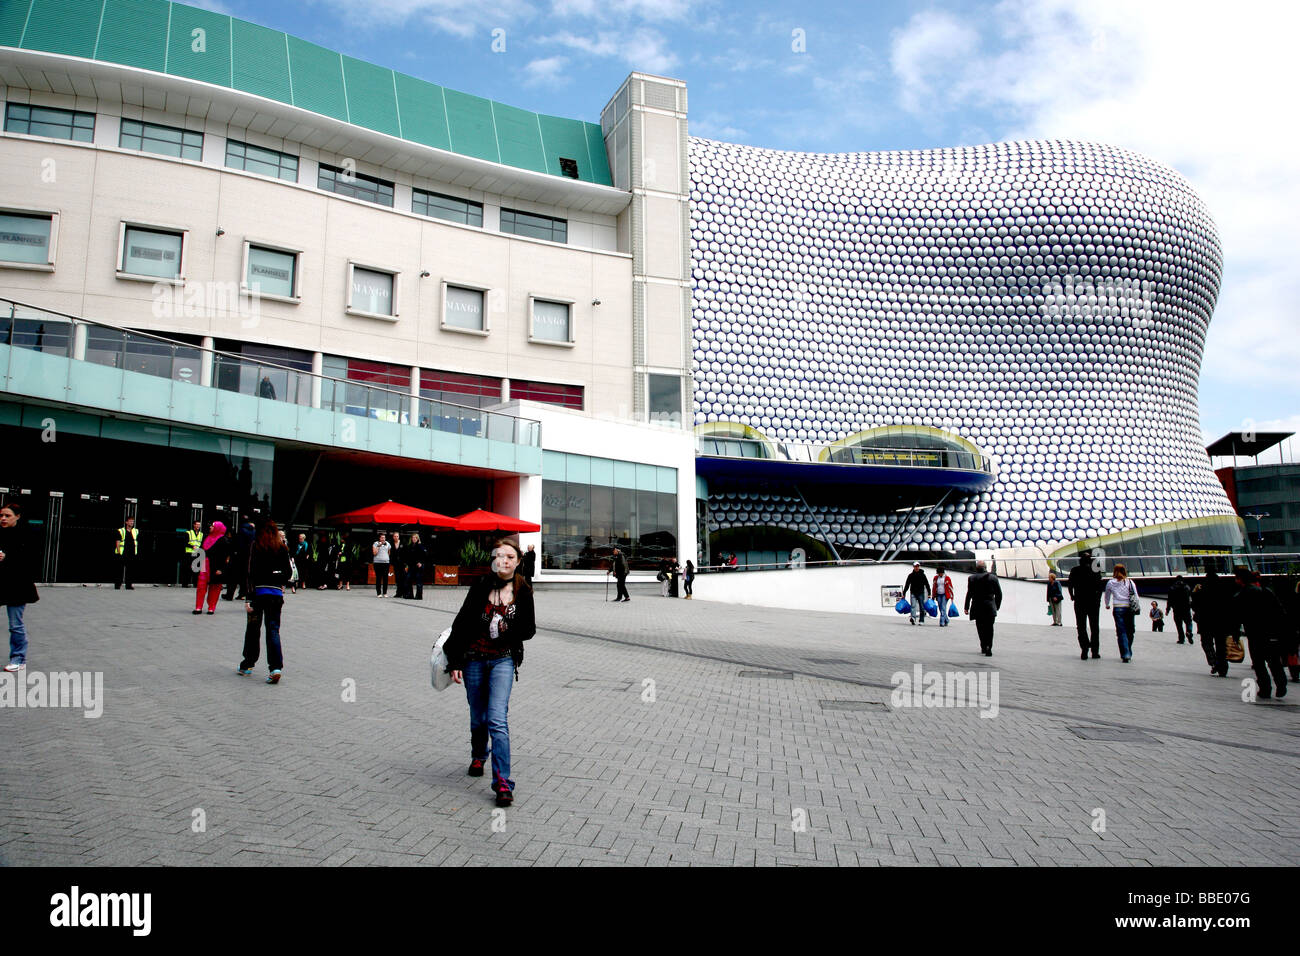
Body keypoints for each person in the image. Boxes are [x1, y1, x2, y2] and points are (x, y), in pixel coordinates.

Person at [443, 540, 536, 807]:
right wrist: (455, 661)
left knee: (497, 719)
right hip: (473, 659)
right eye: (499, 556)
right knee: (478, 717)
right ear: (493, 560)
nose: (504, 561)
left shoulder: (523, 591)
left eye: (510, 557)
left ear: (518, 561)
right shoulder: (481, 586)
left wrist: (509, 628)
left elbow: (529, 630)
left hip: (502, 661)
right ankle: (478, 754)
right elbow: (461, 624)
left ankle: (503, 783)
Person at [238, 520, 292, 684]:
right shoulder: (282, 547)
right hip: (275, 594)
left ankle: (248, 664)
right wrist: (277, 579)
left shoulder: (256, 546)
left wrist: (248, 597)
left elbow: (249, 572)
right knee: (273, 629)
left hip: (258, 594)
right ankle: (275, 667)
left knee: (253, 630)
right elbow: (288, 573)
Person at [1231, 566, 1287, 700]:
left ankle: (1265, 689)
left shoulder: (1239, 596)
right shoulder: (1265, 592)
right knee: (1274, 661)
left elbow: (1236, 618)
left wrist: (1235, 634)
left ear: (1240, 580)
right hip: (1270, 632)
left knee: (1258, 663)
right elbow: (1280, 611)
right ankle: (1281, 684)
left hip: (1254, 633)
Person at [0, 502, 38, 673]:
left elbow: (29, 560)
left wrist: (7, 557)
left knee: (15, 624)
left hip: (17, 586)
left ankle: (18, 658)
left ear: (17, 516)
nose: (3, 518)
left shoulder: (25, 535)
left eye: (7, 515)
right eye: (1, 515)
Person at [1192, 568, 1232, 677]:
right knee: (1221, 644)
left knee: (1206, 643)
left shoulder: (1202, 591)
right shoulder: (1224, 591)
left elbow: (1194, 606)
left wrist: (1194, 593)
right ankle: (1223, 666)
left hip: (1205, 622)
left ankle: (1214, 662)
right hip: (1221, 622)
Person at [1067, 552, 1103, 659]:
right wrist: (1098, 599)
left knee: (1081, 626)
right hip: (1093, 602)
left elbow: (1070, 585)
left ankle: (1084, 648)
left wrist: (1072, 596)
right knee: (1094, 626)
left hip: (1080, 601)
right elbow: (1100, 587)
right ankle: (1095, 651)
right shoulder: (1095, 570)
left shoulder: (1075, 570)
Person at [963, 560, 1003, 656]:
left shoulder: (971, 578)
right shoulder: (993, 578)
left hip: (977, 606)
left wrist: (966, 606)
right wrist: (996, 606)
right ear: (985, 568)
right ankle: (989, 646)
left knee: (980, 627)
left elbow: (969, 593)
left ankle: (983, 645)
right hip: (989, 606)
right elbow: (999, 594)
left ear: (977, 568)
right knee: (989, 628)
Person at [193, 520, 230, 615]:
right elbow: (201, 551)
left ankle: (211, 607)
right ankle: (198, 607)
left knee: (215, 587)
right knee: (201, 586)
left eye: (213, 526)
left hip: (215, 567)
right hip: (204, 565)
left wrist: (221, 569)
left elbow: (225, 556)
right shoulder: (206, 537)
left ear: (217, 528)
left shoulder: (223, 540)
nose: (210, 527)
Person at [1103, 564, 1138, 663]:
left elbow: (1107, 595)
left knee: (1121, 631)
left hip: (1118, 608)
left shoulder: (1110, 582)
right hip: (1129, 608)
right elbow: (1136, 595)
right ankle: (1128, 651)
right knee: (1130, 631)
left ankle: (1125, 653)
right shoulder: (1130, 582)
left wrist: (1107, 604)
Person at [223, 517, 255, 601]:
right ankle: (242, 594)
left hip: (239, 556)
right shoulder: (253, 531)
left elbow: (238, 544)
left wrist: (233, 553)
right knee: (245, 577)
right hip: (248, 557)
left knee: (233, 576)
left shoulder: (241, 530)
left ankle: (229, 595)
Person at [114, 516, 139, 590]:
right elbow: (118, 542)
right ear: (126, 522)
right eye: (130, 521)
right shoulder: (121, 531)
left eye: (133, 521)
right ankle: (117, 585)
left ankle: (128, 585)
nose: (132, 523)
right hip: (122, 553)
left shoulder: (135, 531)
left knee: (130, 570)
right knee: (119, 570)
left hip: (131, 553)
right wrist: (119, 552)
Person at [904, 561, 930, 626]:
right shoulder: (910, 575)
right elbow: (907, 584)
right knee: (913, 606)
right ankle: (913, 618)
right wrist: (904, 593)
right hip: (913, 593)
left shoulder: (923, 575)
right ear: (913, 567)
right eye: (915, 566)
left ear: (919, 567)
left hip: (921, 593)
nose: (917, 567)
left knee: (921, 607)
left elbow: (927, 584)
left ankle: (921, 620)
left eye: (918, 566)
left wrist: (929, 593)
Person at [182, 520, 203, 588]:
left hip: (197, 553)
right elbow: (185, 543)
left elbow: (201, 544)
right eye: (197, 524)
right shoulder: (188, 533)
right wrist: (192, 546)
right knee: (187, 568)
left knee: (196, 569)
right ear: (194, 525)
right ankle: (185, 584)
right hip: (189, 552)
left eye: (199, 525)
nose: (198, 526)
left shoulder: (201, 534)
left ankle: (195, 584)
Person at [406, 533, 426, 599]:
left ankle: (419, 596)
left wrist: (421, 562)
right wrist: (407, 565)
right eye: (413, 537)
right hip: (411, 566)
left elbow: (425, 555)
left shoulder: (420, 546)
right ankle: (409, 595)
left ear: (417, 539)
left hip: (418, 566)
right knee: (408, 579)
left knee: (418, 581)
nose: (414, 539)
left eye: (415, 538)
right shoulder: (410, 546)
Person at [372, 531, 391, 597]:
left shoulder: (388, 544)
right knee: (378, 578)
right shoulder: (375, 543)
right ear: (379, 538)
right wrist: (378, 546)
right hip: (377, 563)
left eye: (384, 538)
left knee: (385, 578)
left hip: (386, 563)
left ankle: (385, 593)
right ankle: (379, 593)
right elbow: (374, 553)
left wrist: (386, 558)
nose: (383, 539)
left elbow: (389, 552)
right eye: (382, 538)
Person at [391, 532, 408, 599]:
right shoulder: (391, 544)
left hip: (403, 564)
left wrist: (406, 564)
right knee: (397, 579)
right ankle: (398, 593)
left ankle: (404, 593)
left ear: (399, 537)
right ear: (393, 537)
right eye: (394, 536)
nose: (396, 537)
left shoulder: (403, 543)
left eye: (397, 536)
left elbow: (407, 553)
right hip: (396, 564)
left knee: (403, 578)